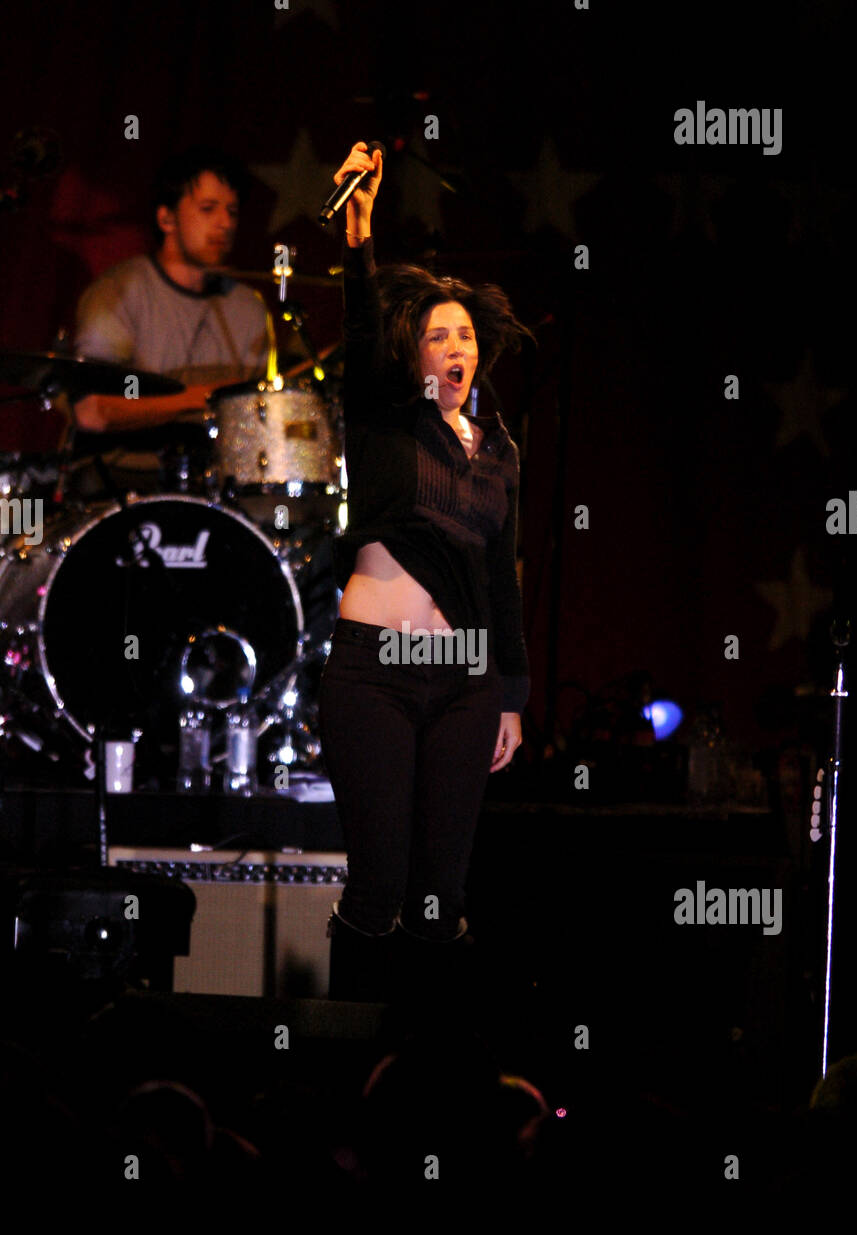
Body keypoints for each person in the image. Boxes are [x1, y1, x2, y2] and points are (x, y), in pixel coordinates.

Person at [318, 141, 532, 996]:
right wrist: (358, 238)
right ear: (413, 352)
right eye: (437, 333)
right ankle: (349, 1074)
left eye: (465, 334)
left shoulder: (500, 450)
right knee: (377, 887)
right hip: (376, 670)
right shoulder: (383, 419)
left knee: (441, 899)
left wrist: (511, 696)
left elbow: (502, 577)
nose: (454, 345)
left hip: (464, 676)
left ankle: (433, 1078)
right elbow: (364, 326)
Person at [69, 145, 270, 487]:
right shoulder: (119, 293)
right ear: (166, 219)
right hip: (124, 479)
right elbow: (91, 412)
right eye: (208, 209)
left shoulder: (248, 307)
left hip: (215, 487)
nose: (225, 223)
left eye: (232, 212)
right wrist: (199, 398)